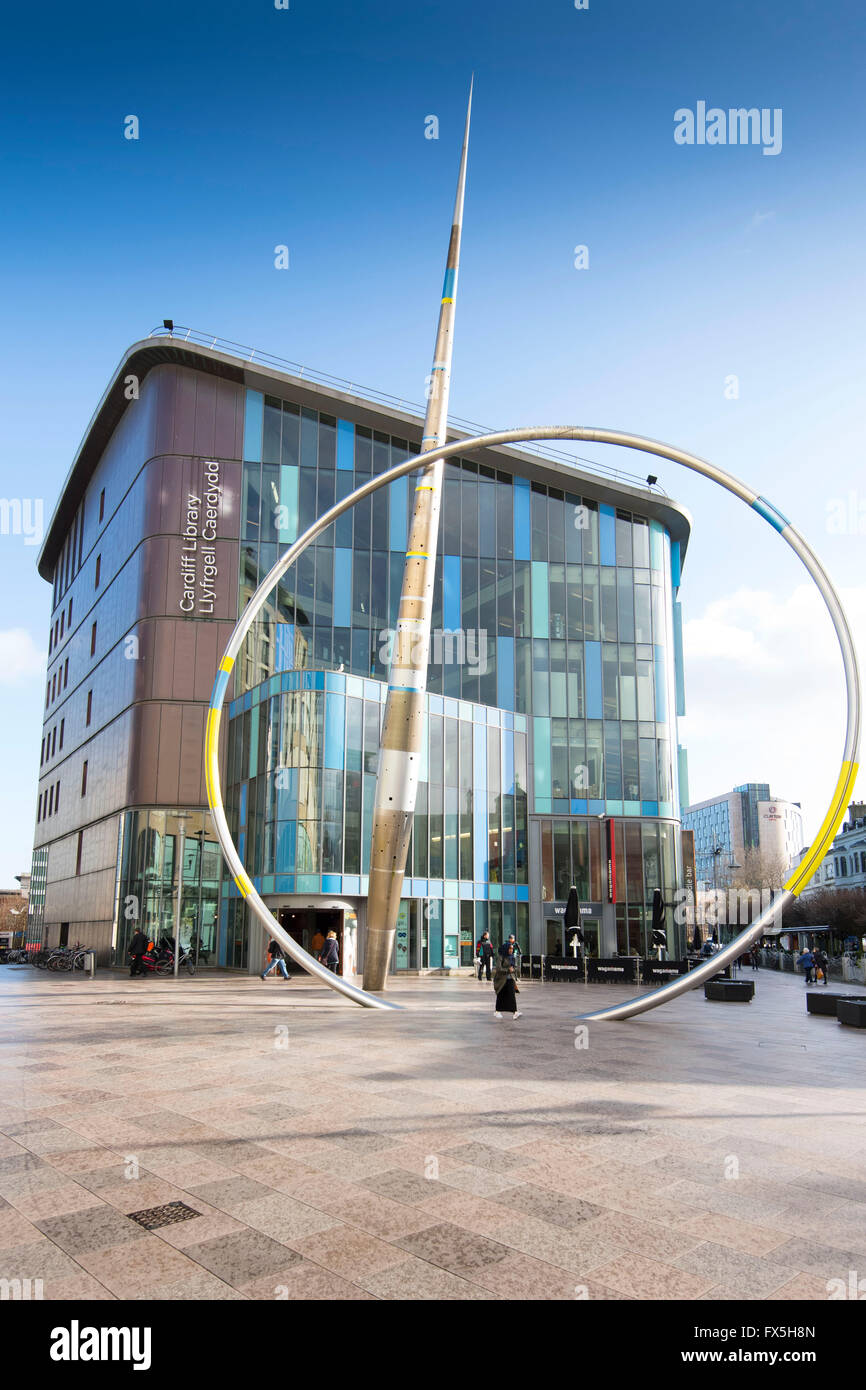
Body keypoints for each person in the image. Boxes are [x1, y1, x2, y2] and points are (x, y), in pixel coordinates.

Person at [493, 952, 521, 1020]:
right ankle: (497, 1011)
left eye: (512, 948)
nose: (511, 950)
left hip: (510, 979)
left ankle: (515, 1012)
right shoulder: (501, 957)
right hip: (502, 980)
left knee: (511, 995)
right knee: (501, 995)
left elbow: (514, 967)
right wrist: (508, 970)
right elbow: (499, 968)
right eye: (510, 948)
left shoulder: (512, 957)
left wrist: (513, 969)